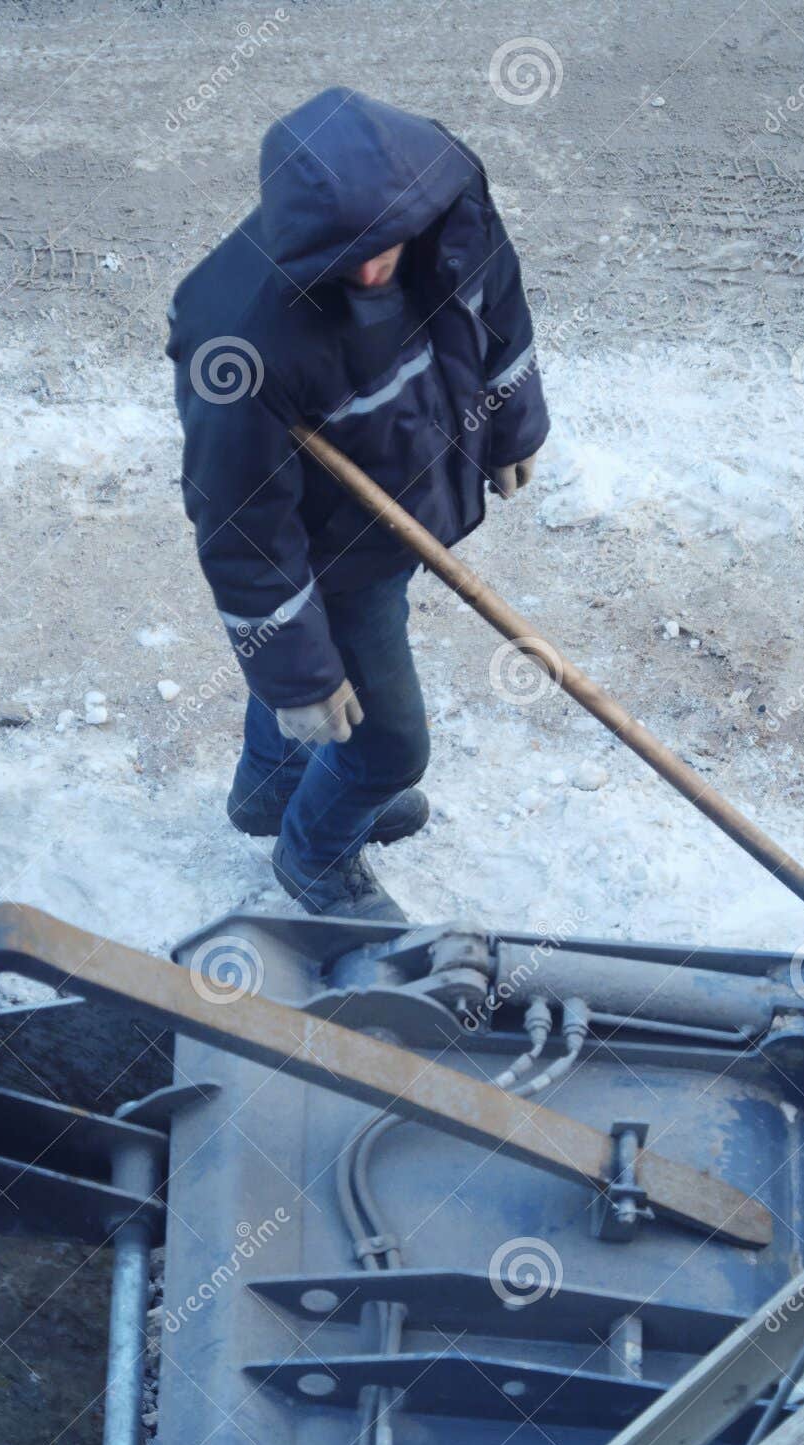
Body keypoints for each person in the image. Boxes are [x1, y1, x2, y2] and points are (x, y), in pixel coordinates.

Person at [167, 86, 548, 920]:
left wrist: (512, 416)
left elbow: (496, 302)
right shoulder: (240, 339)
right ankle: (314, 857)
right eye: (349, 258)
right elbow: (242, 526)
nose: (373, 270)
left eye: (386, 246)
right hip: (330, 554)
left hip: (402, 498)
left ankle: (273, 793)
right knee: (387, 744)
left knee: (350, 684)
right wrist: (295, 671)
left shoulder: (444, 200)